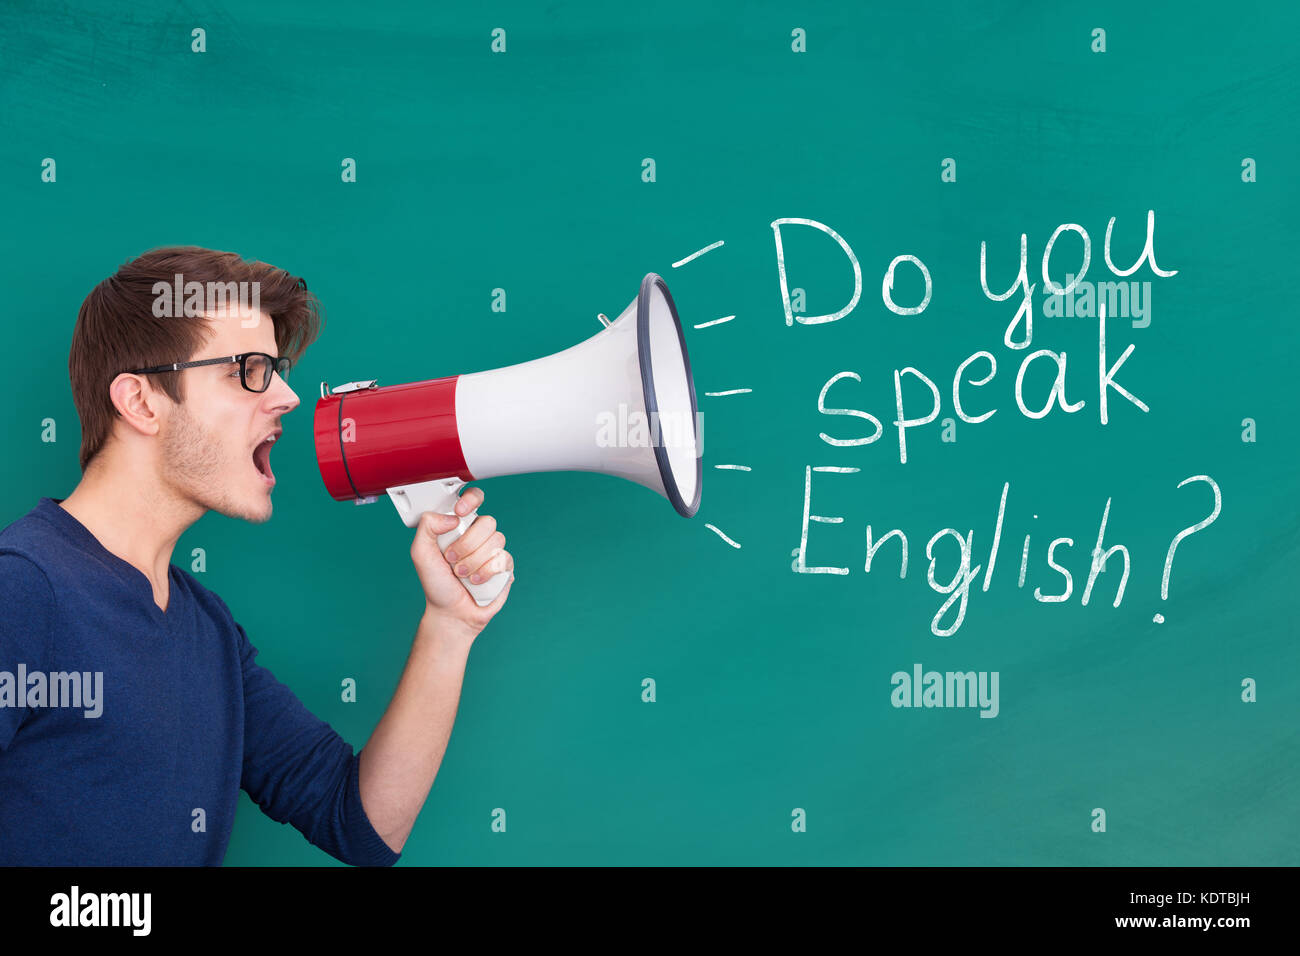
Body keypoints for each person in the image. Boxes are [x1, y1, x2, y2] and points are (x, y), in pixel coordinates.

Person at [0, 246, 513, 865]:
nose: (288, 397)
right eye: (248, 369)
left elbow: (359, 825)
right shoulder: (21, 591)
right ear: (140, 402)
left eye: (278, 368)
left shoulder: (207, 629)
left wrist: (450, 627)